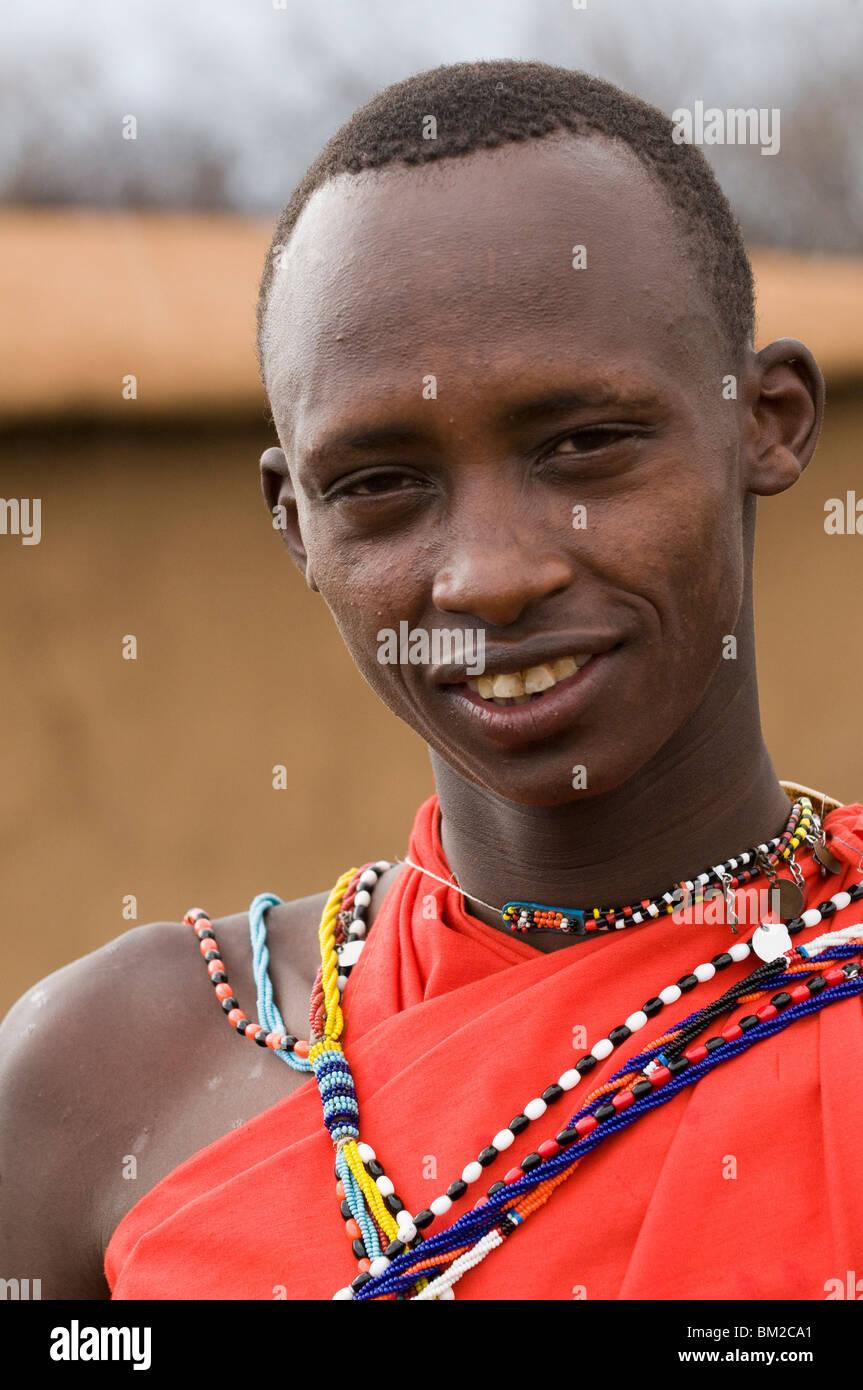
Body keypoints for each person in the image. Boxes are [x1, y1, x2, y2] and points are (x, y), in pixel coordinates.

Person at [2, 59, 862, 1302]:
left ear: (764, 421)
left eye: (583, 444)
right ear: (294, 522)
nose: (489, 575)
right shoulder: (110, 1076)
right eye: (379, 484)